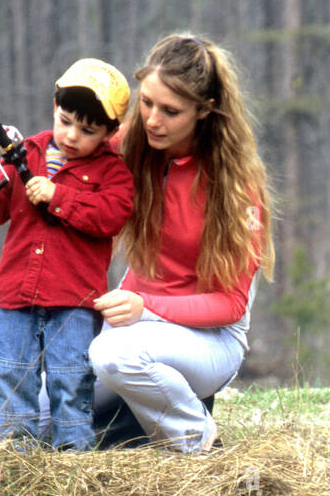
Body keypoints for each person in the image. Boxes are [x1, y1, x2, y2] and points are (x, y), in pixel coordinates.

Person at [89, 35, 275, 454]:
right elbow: (70, 147)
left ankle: (202, 444)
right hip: (136, 323)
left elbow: (230, 305)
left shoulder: (239, 189)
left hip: (212, 339)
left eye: (170, 111)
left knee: (114, 356)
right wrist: (20, 153)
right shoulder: (135, 144)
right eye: (148, 102)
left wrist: (147, 308)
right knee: (38, 416)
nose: (153, 119)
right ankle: (137, 423)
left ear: (204, 111)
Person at [0, 60, 134, 450]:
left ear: (111, 132)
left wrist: (59, 197)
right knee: (10, 378)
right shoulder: (25, 151)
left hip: (73, 301)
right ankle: (14, 462)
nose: (72, 135)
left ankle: (74, 464)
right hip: (14, 296)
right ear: (54, 107)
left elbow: (110, 217)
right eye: (66, 121)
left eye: (88, 130)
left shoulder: (114, 173)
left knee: (71, 382)